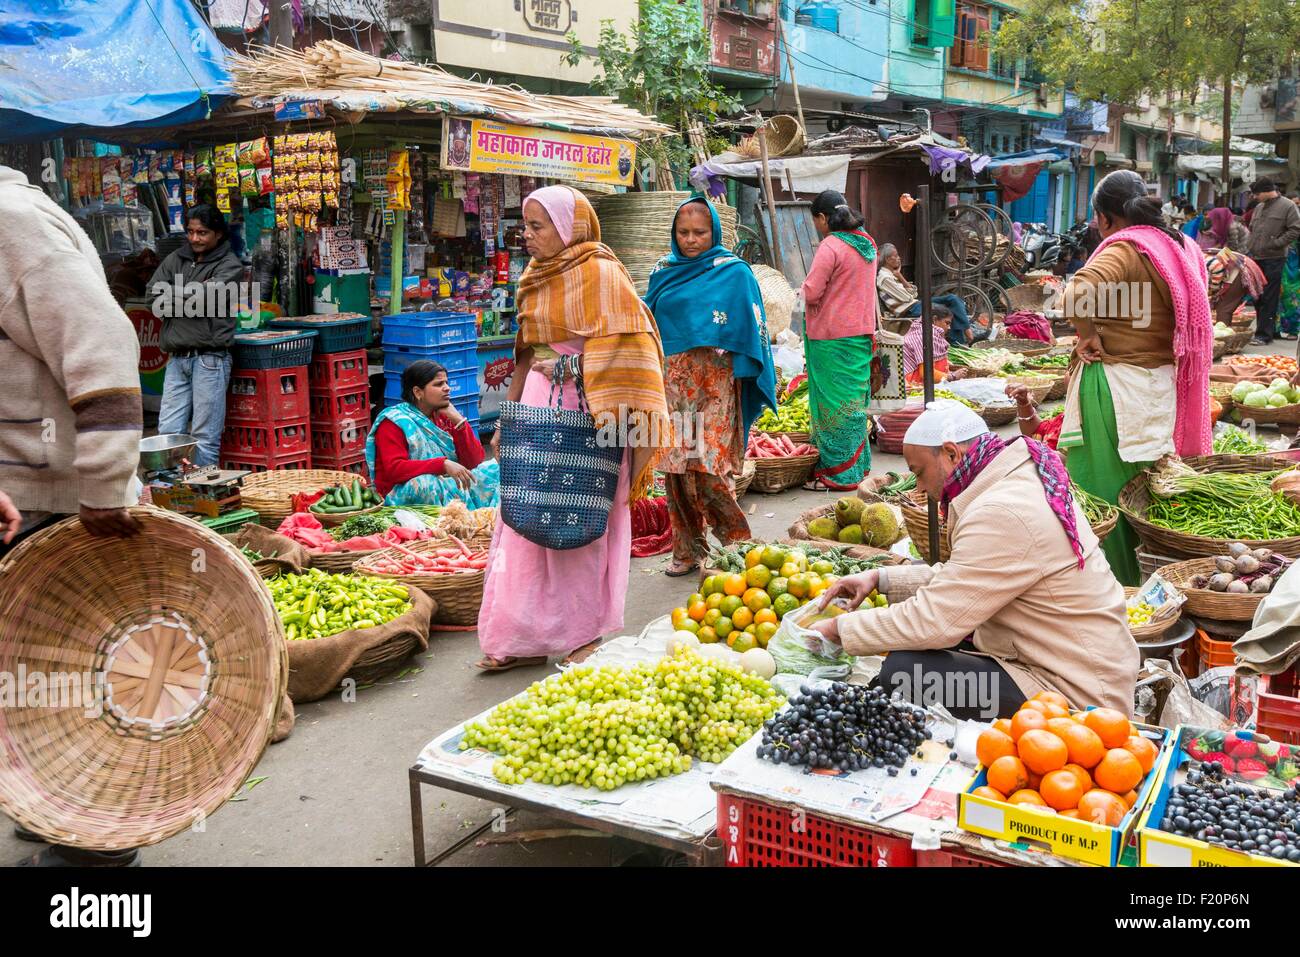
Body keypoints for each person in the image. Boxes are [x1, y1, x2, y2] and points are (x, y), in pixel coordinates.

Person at [809, 401, 1137, 719]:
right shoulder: (1015, 479)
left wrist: (841, 628)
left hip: (1078, 696)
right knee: (912, 661)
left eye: (919, 473)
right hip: (1073, 665)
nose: (921, 487)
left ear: (952, 453)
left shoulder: (1000, 511)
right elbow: (969, 578)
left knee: (905, 673)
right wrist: (881, 579)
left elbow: (935, 622)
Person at [1, 163, 144, 865]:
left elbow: (104, 348)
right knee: (31, 676)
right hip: (18, 491)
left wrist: (102, 491)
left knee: (64, 674)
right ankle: (51, 809)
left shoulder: (13, 227)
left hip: (55, 502)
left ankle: (96, 852)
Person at [475, 186, 668, 672]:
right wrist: (508, 416)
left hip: (594, 413)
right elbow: (525, 351)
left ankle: (586, 632)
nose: (528, 235)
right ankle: (521, 636)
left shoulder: (603, 275)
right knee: (525, 520)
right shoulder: (535, 276)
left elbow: (635, 350)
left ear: (569, 228)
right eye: (527, 225)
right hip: (540, 410)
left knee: (584, 520)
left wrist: (570, 369)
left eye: (539, 226)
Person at [1058, 169, 1213, 585]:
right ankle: (1156, 584)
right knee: (1149, 497)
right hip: (1162, 389)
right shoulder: (1181, 245)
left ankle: (1110, 588)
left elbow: (1075, 294)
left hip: (1116, 393)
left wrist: (1087, 335)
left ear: (1104, 218)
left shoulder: (1126, 249)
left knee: (1102, 499)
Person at [643, 197, 777, 577]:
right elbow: (649, 319)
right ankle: (687, 549)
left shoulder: (734, 272)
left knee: (708, 464)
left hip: (715, 382)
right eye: (683, 232)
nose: (690, 240)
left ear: (715, 232)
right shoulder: (663, 270)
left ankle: (737, 541)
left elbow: (752, 324)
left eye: (699, 232)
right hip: (673, 384)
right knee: (675, 467)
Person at [148, 204, 245, 465]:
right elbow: (152, 297)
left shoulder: (230, 265)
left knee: (204, 436)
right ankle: (167, 494)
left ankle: (201, 495)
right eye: (190, 232)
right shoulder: (176, 259)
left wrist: (174, 294)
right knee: (168, 433)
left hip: (209, 360)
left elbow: (207, 296)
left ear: (218, 234)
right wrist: (194, 293)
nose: (194, 239)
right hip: (177, 359)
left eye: (202, 233)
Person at [800, 189, 878, 491]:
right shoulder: (867, 243)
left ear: (823, 218)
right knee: (854, 404)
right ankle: (857, 467)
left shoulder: (831, 245)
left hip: (831, 338)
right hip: (860, 335)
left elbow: (813, 290)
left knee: (833, 406)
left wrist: (799, 291)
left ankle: (837, 472)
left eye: (816, 221)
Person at [365, 360, 498, 507]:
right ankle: (454, 520)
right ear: (418, 392)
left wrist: (460, 422)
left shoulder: (445, 416)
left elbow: (474, 463)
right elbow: (395, 469)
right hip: (401, 492)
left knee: (495, 469)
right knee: (426, 484)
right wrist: (443, 464)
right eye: (438, 384)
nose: (447, 388)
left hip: (443, 481)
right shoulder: (394, 421)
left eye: (446, 383)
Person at [875, 242, 974, 345]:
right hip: (910, 310)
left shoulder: (892, 274)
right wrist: (903, 281)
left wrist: (900, 277)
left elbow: (913, 294)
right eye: (895, 256)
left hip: (915, 304)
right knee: (946, 312)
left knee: (953, 298)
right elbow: (908, 297)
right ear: (887, 259)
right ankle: (959, 343)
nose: (899, 258)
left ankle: (967, 330)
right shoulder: (885, 278)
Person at [1245, 178, 1300, 345]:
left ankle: (1263, 334)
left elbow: (1295, 229)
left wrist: (1276, 244)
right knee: (1257, 296)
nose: (1255, 197)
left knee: (1269, 296)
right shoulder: (1260, 207)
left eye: (1257, 194)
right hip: (1256, 257)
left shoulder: (1288, 206)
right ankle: (1269, 330)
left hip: (1275, 258)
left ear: (1268, 191)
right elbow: (1253, 229)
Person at [901, 305, 952, 386]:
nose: (949, 327)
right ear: (934, 319)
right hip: (911, 382)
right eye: (947, 323)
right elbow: (926, 373)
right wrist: (951, 377)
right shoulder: (925, 336)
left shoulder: (926, 332)